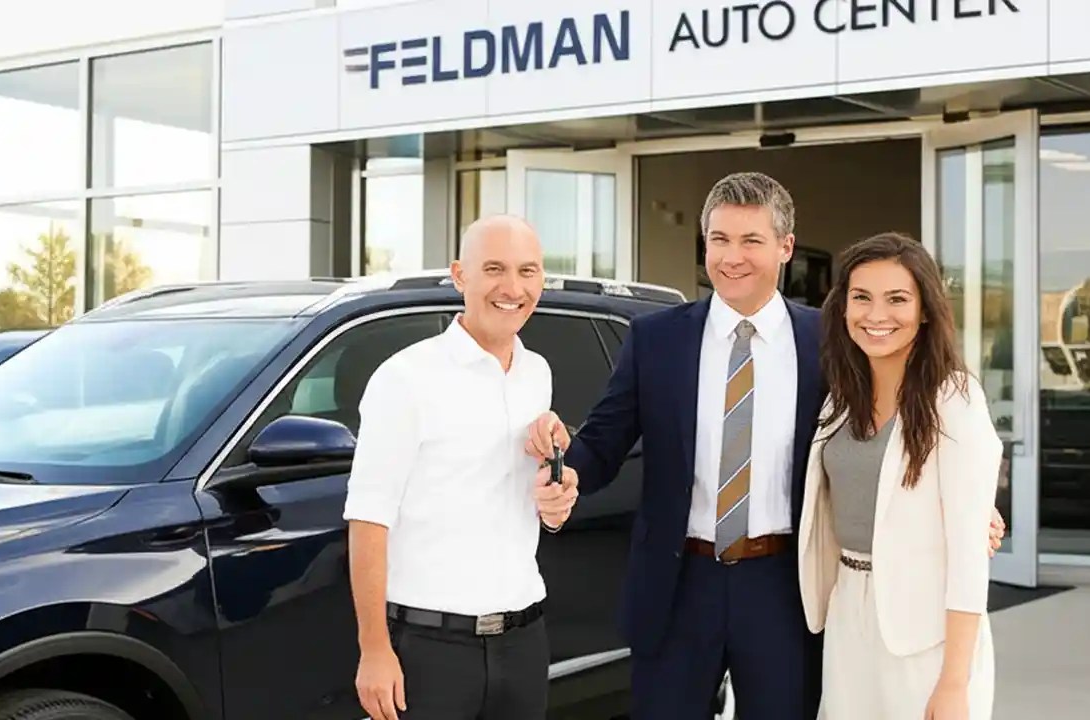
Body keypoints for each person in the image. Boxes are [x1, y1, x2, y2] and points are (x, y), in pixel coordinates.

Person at [525, 172, 1003, 719]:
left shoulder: (831, 342)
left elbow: (889, 440)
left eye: (751, 240)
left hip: (784, 585)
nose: (733, 257)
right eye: (720, 239)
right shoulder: (657, 339)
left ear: (785, 247)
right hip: (679, 583)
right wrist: (565, 470)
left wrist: (970, 510)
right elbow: (602, 444)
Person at [343, 214, 580, 720]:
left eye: (528, 271)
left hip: (523, 642)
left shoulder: (537, 373)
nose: (512, 288)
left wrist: (556, 496)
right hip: (432, 649)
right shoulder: (405, 379)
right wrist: (375, 650)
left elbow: (533, 505)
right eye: (494, 268)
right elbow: (368, 519)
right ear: (460, 276)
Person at [798, 232, 998, 719]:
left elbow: (969, 557)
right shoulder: (840, 400)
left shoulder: (954, 400)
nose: (876, 315)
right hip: (849, 613)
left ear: (925, 309)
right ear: (843, 308)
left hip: (924, 632)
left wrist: (955, 682)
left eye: (897, 299)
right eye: (861, 298)